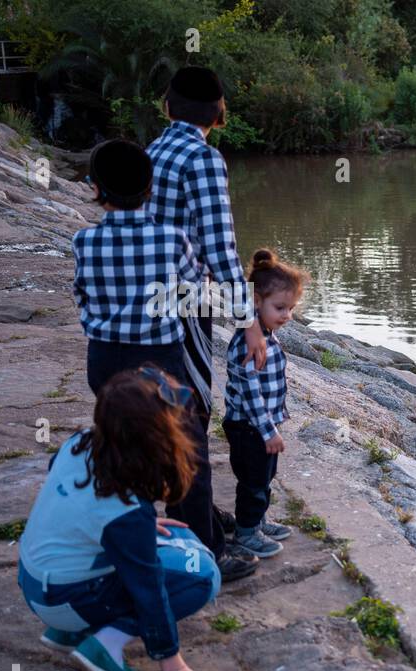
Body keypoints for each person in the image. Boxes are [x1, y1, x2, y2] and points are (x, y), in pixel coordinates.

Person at [70, 139, 254, 587]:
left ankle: (128, 536)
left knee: (121, 444)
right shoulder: (171, 239)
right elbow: (193, 292)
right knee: (184, 451)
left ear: (96, 190)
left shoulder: (84, 240)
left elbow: (82, 295)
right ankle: (204, 549)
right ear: (151, 189)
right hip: (160, 360)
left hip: (107, 359)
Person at [17, 368, 218, 671]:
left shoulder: (80, 442)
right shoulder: (124, 511)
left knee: (169, 539)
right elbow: (148, 587)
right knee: (203, 572)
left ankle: (71, 631)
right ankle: (105, 644)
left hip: (36, 583)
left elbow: (60, 474)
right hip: (64, 599)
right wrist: (169, 655)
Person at [147, 65, 268, 581]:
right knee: (191, 415)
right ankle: (202, 548)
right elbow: (220, 249)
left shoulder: (152, 151)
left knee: (172, 411)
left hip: (148, 300)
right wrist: (249, 322)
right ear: (219, 115)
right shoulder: (203, 158)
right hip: (185, 300)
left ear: (167, 107)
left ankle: (195, 518)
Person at [223, 249, 306, 557]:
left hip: (260, 425)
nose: (287, 315)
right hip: (249, 427)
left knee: (264, 477)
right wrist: (267, 430)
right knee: (253, 481)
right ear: (256, 301)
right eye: (280, 307)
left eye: (291, 308)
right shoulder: (250, 344)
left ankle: (256, 521)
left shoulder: (267, 335)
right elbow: (250, 393)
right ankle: (245, 533)